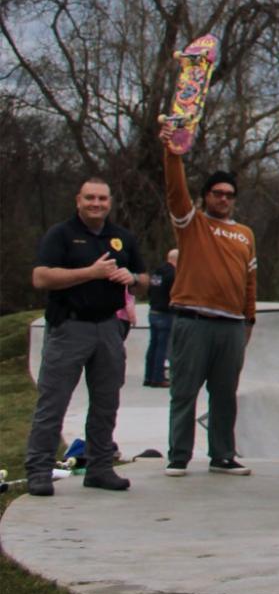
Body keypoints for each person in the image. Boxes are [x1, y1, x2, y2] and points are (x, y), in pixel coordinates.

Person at [25, 177, 151, 496]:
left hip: (109, 327)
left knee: (107, 401)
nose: (96, 204)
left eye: (102, 199)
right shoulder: (62, 235)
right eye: (90, 198)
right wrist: (89, 274)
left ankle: (99, 467)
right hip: (69, 326)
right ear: (78, 201)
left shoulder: (121, 238)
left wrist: (132, 278)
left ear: (110, 202)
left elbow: (148, 280)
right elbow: (41, 277)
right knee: (53, 401)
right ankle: (39, 469)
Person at [158, 123, 257, 478]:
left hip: (230, 325)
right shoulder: (192, 224)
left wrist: (249, 320)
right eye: (217, 193)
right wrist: (173, 153)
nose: (224, 199)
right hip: (193, 319)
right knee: (184, 391)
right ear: (206, 197)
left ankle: (222, 455)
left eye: (229, 194)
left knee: (225, 395)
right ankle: (179, 455)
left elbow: (250, 281)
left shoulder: (245, 234)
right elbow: (175, 193)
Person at [143, 249, 178, 388]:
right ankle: (158, 378)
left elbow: (151, 290)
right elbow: (176, 293)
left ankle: (148, 376)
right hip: (166, 313)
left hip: (153, 312)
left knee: (153, 345)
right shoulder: (173, 274)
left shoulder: (157, 272)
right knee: (162, 347)